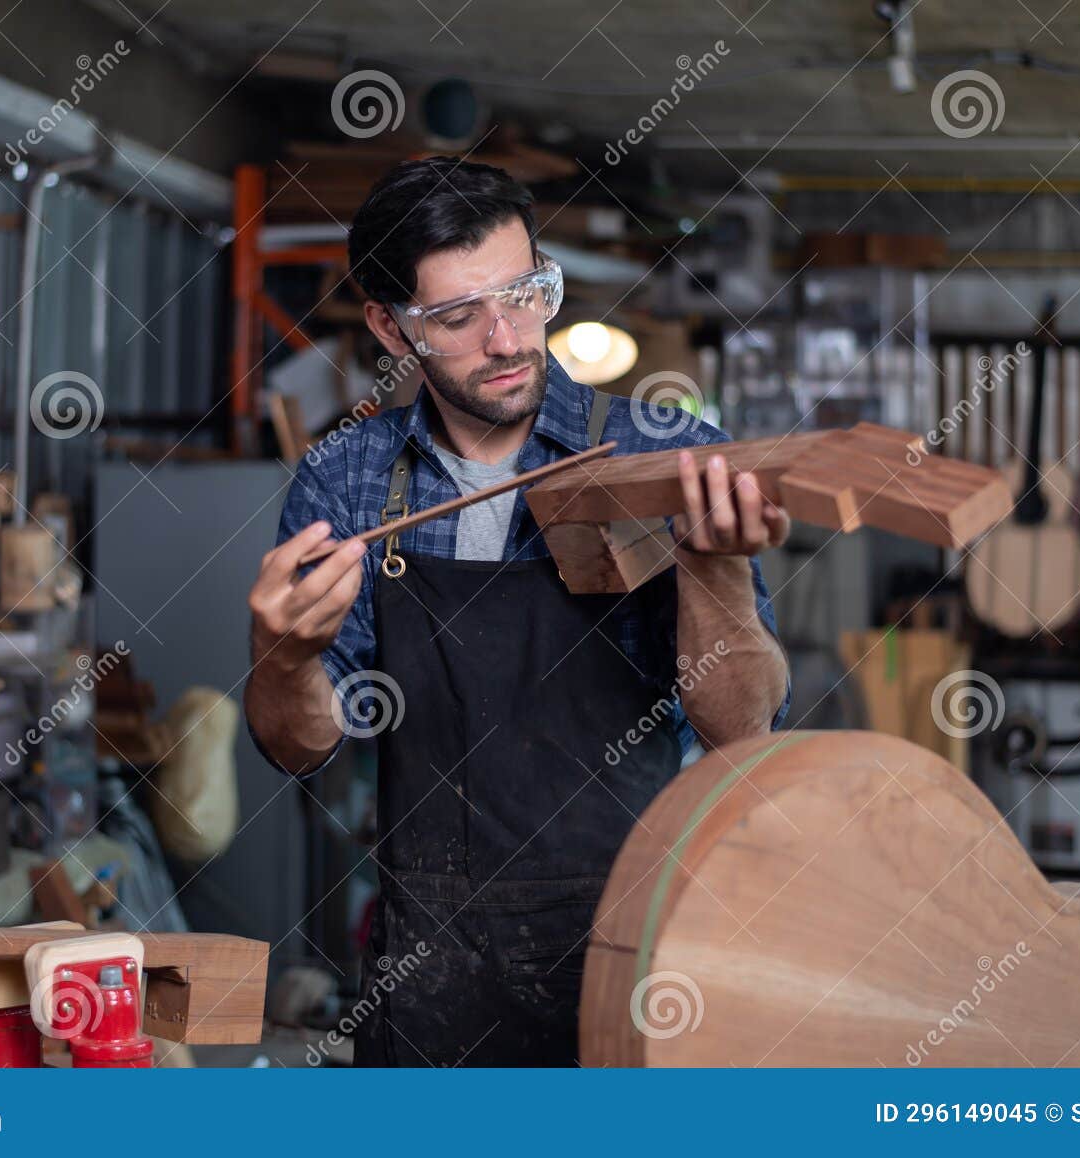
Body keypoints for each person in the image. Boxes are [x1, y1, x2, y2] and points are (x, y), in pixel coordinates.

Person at [245, 157, 790, 1065]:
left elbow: (742, 731)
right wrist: (283, 655)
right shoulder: (347, 477)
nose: (507, 339)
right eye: (459, 316)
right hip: (432, 976)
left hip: (638, 958)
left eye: (526, 294)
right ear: (390, 326)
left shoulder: (663, 454)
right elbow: (300, 748)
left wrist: (716, 570)